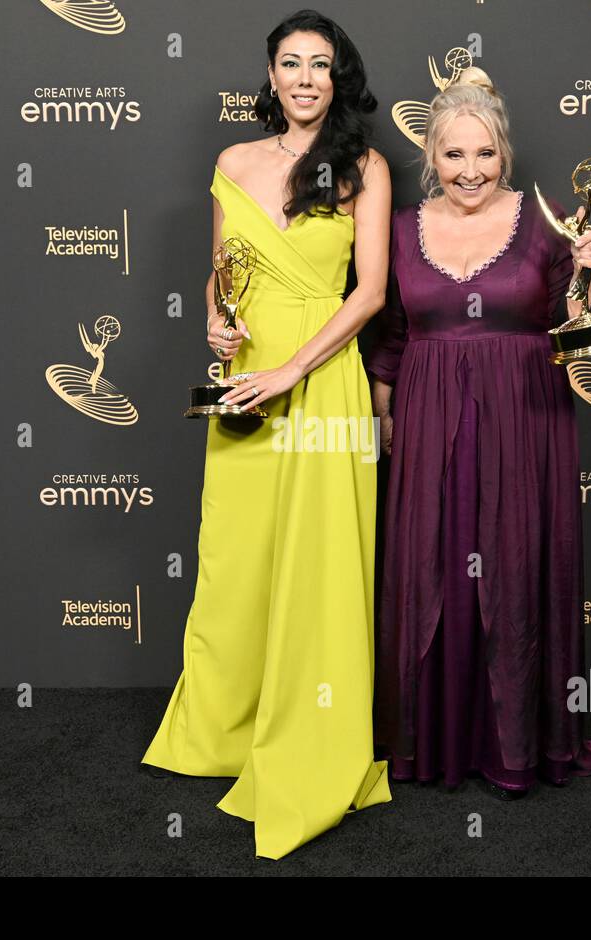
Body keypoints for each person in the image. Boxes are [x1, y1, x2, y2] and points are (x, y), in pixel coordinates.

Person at [142, 9, 392, 858]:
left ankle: (308, 732)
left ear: (339, 76)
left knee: (318, 563)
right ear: (272, 75)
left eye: (321, 65)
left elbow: (369, 295)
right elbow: (221, 275)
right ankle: (222, 727)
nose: (306, 78)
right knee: (239, 556)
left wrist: (292, 370)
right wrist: (216, 326)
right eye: (291, 63)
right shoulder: (233, 162)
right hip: (244, 381)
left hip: (320, 380)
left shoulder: (366, 166)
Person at [366, 67, 591, 799]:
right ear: (430, 156)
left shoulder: (547, 223)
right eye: (453, 155)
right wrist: (383, 418)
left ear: (504, 153)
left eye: (484, 154)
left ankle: (521, 742)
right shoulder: (400, 230)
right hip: (426, 411)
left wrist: (589, 274)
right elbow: (388, 335)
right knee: (432, 573)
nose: (470, 171)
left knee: (515, 571)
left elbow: (575, 329)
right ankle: (433, 740)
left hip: (524, 416)